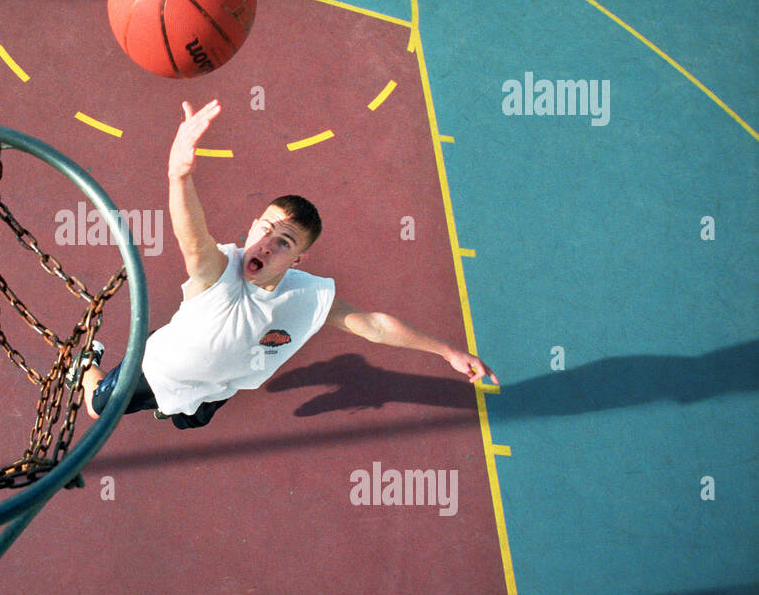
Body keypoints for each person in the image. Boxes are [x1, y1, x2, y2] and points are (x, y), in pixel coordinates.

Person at [77, 99, 497, 429]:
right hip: (159, 371)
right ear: (252, 225)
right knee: (99, 408)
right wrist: (178, 175)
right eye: (265, 228)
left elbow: (373, 325)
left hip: (216, 388)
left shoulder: (307, 295)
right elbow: (192, 237)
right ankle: (87, 364)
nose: (266, 243)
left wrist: (446, 352)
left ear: (298, 259)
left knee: (188, 420)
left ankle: (173, 390)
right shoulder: (219, 273)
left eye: (283, 242)